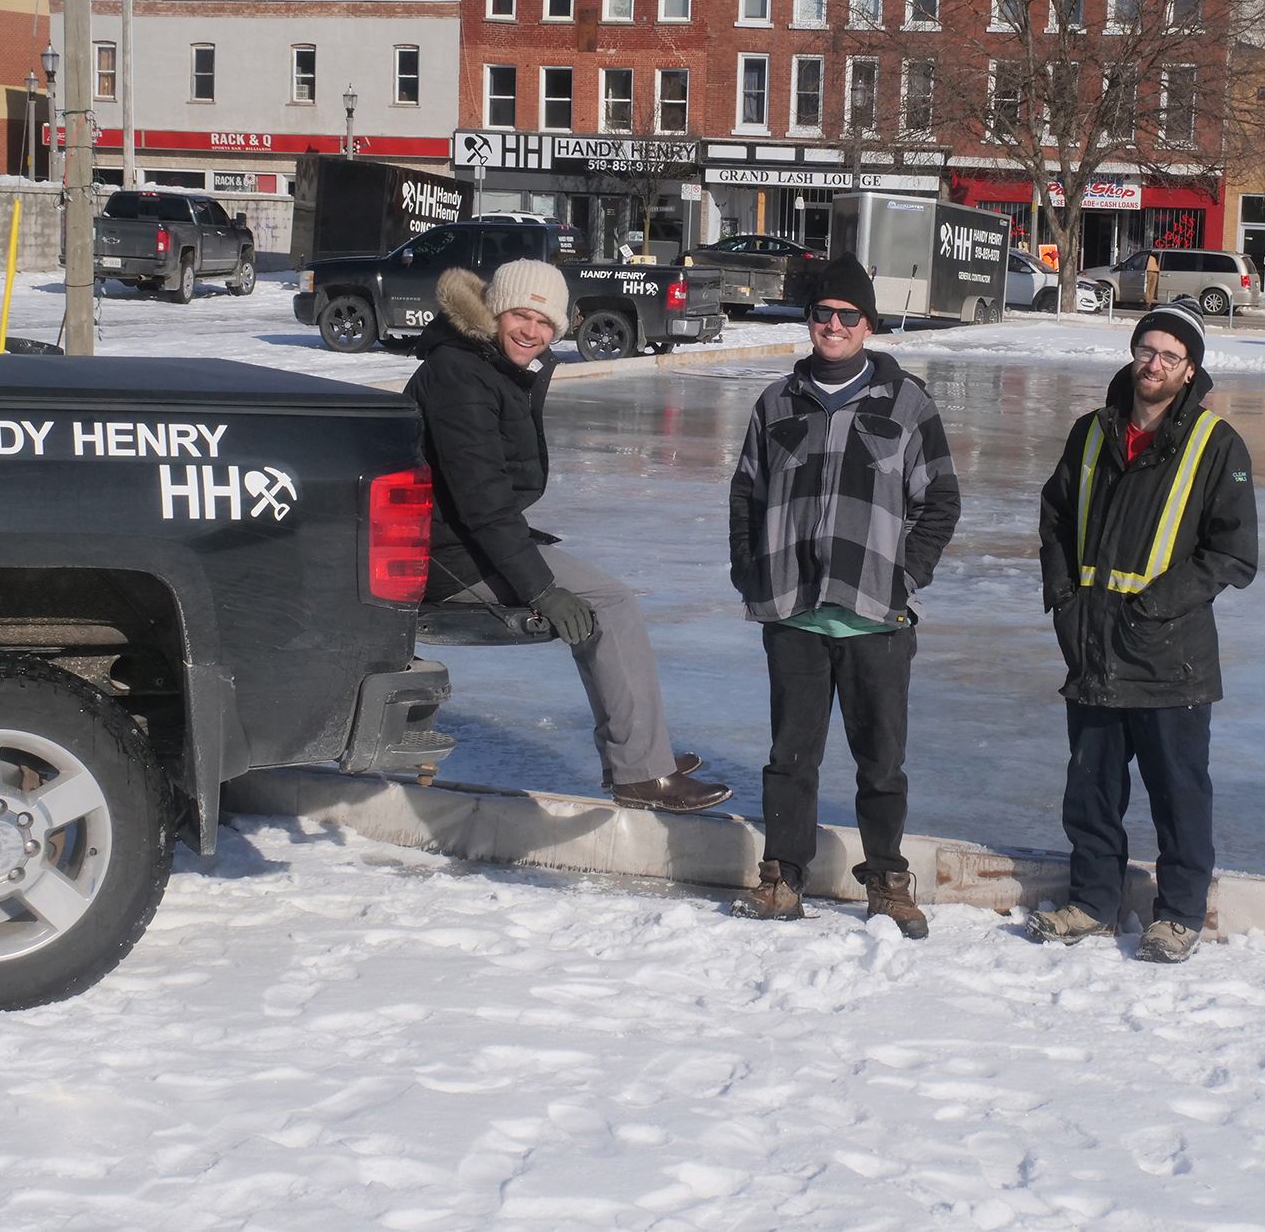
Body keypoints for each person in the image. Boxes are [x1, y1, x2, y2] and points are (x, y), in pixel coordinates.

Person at [405, 259, 730, 815]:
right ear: (494, 312)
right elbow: (482, 500)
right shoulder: (460, 372)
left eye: (544, 321)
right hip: (445, 553)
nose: (531, 331)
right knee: (609, 601)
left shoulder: (492, 364)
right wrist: (540, 587)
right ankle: (641, 772)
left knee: (610, 598)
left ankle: (645, 756)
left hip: (463, 538)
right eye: (520, 315)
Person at [727, 254, 960, 938]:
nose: (832, 325)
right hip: (794, 609)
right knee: (790, 757)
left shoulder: (908, 403)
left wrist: (904, 576)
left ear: (868, 325)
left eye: (846, 316)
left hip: (875, 615)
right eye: (822, 313)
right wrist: (750, 570)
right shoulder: (777, 402)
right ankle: (782, 876)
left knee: (881, 761)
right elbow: (746, 492)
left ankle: (887, 879)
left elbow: (941, 499)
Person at [1032, 303, 1257, 962]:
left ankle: (1179, 915)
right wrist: (1064, 598)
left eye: (1169, 356)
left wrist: (1156, 606)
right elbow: (1054, 517)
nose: (1153, 364)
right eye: (1146, 349)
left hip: (1170, 658)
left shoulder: (1217, 445)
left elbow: (1233, 555)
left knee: (1179, 796)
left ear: (1190, 371)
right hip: (1094, 648)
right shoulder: (1092, 433)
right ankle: (1093, 903)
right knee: (1091, 791)